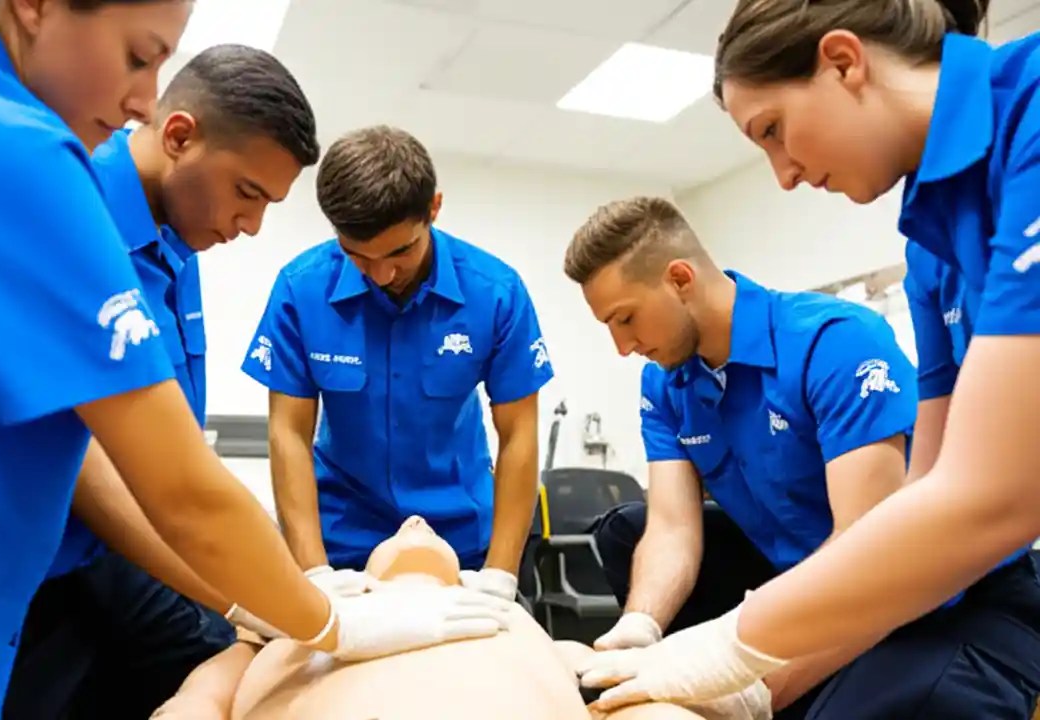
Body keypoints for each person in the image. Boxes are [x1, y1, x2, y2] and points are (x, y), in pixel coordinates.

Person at [0, 0, 513, 715]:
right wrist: (322, 619)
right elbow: (172, 485)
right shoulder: (19, 153)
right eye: (137, 56)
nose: (141, 101)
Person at [577, 0, 1040, 715]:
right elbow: (933, 489)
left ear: (845, 62)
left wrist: (738, 657)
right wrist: (659, 636)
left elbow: (994, 497)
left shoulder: (1030, 112)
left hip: (975, 591)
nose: (783, 174)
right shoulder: (931, 238)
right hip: (887, 572)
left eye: (772, 131)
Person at [564, 196, 1012, 719]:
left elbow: (870, 552)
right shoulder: (664, 382)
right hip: (801, 570)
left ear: (680, 279)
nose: (622, 346)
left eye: (626, 319)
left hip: (920, 589)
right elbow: (670, 527)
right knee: (626, 528)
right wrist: (639, 629)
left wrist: (755, 687)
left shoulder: (835, 342)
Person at [3, 43, 320, 720]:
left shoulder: (177, 242)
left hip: (115, 568)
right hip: (35, 581)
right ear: (179, 136)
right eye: (247, 193)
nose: (251, 226)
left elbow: (177, 449)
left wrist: (266, 576)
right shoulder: (74, 218)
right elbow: (107, 472)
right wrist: (242, 593)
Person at [240, 125, 554, 603]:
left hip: (461, 547)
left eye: (400, 251)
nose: (382, 274)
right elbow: (288, 433)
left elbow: (519, 435)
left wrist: (500, 574)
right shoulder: (300, 291)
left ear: (433, 208)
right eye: (358, 256)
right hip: (341, 544)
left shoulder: (496, 292)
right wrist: (313, 572)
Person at [149, 515, 725, 720]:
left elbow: (616, 682)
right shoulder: (302, 614)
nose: (416, 521)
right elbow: (201, 697)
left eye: (423, 528)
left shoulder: (502, 615)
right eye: (395, 531)